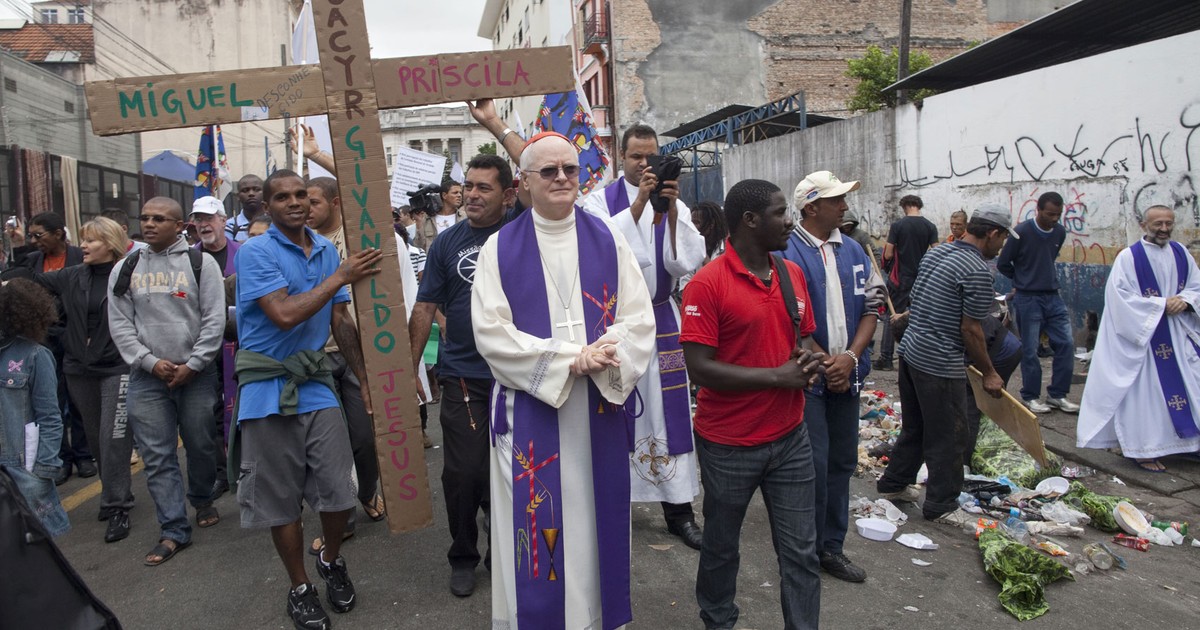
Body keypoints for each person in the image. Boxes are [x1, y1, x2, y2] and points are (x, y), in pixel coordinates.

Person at [472, 132, 655, 629]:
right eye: (548, 171)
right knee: (540, 525)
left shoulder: (607, 238)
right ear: (524, 182)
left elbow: (639, 321)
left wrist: (604, 353)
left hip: (597, 409)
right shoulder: (498, 248)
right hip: (534, 410)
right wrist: (570, 359)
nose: (561, 178)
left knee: (596, 526)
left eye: (570, 170)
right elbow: (491, 333)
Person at [233, 169, 382, 630]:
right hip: (266, 388)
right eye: (283, 196)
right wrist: (340, 274)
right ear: (268, 205)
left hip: (316, 381)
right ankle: (299, 587)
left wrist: (364, 377)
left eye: (302, 194)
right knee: (281, 501)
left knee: (339, 491)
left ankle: (331, 560)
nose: (295, 202)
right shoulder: (256, 251)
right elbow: (281, 314)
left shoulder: (322, 250)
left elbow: (340, 321)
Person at [681, 179, 824, 630]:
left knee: (801, 552)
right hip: (728, 445)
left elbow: (802, 338)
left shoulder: (789, 274)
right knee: (721, 548)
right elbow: (699, 369)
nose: (790, 221)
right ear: (749, 220)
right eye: (782, 212)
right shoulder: (708, 283)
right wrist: (777, 377)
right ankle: (718, 620)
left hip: (790, 439)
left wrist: (820, 359)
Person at [582, 123, 706, 550]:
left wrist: (668, 211)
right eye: (636, 156)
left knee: (670, 417)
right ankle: (613, 506)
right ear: (621, 157)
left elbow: (684, 261)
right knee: (618, 413)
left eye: (651, 156)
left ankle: (679, 511)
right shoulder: (599, 201)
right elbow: (598, 250)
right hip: (615, 325)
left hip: (662, 320)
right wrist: (638, 204)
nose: (645, 164)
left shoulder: (675, 201)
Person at [409, 153, 518, 597]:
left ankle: (505, 550)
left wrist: (493, 121)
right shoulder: (445, 244)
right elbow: (424, 307)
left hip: (519, 377)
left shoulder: (523, 234)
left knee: (514, 473)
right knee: (464, 472)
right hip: (462, 376)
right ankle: (463, 555)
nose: (471, 194)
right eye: (468, 186)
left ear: (509, 195)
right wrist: (409, 370)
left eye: (484, 187)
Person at [875, 204, 1012, 520]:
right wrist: (989, 373)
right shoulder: (977, 270)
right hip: (938, 362)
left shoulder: (937, 254)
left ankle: (894, 484)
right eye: (1003, 237)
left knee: (917, 426)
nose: (1003, 245)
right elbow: (971, 329)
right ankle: (942, 504)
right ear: (992, 233)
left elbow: (920, 302)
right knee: (950, 436)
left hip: (910, 354)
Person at [108, 197, 225, 566]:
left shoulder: (200, 263)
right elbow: (121, 324)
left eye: (160, 218)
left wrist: (194, 363)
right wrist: (149, 362)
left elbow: (214, 318)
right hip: (147, 377)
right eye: (145, 217)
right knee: (157, 457)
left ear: (181, 226)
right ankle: (174, 528)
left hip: (197, 374)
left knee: (201, 444)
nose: (150, 223)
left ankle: (202, 497)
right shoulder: (125, 267)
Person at [781, 171, 885, 584]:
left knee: (841, 463)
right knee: (812, 465)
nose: (844, 206)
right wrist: (826, 363)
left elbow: (872, 307)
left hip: (848, 375)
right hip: (810, 381)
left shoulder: (854, 250)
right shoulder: (787, 252)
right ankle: (803, 547)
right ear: (811, 207)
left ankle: (832, 547)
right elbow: (790, 320)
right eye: (836, 200)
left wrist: (850, 358)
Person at [302, 176, 403, 547]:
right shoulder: (301, 242)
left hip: (362, 352)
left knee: (363, 437)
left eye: (313, 202)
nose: (305, 209)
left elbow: (370, 186)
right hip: (318, 356)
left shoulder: (361, 233)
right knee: (328, 445)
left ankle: (367, 492)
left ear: (335, 202)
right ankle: (340, 516)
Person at [1077, 206, 1200, 473]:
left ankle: (1188, 445)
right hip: (1145, 339)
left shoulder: (1181, 253)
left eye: (1169, 223)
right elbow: (1120, 299)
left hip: (1178, 335)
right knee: (1148, 396)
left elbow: (1195, 285)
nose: (1164, 228)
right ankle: (1144, 450)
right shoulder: (1129, 258)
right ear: (1143, 224)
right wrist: (1160, 304)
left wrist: (1186, 301)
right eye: (1158, 224)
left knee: (1192, 386)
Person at [35, 217, 135, 543]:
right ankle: (112, 492)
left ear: (110, 243)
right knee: (95, 440)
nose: (84, 247)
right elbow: (30, 280)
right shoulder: (73, 276)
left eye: (91, 241)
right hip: (78, 369)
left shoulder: (129, 274)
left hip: (117, 367)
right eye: (83, 240)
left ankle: (118, 504)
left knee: (113, 438)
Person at [996, 192, 1080, 415]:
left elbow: (1048, 258)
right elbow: (1004, 263)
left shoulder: (1059, 232)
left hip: (1053, 296)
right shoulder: (1021, 233)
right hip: (1027, 297)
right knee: (1030, 349)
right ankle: (1030, 396)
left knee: (1066, 344)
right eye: (1050, 214)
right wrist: (1022, 279)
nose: (1054, 219)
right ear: (1039, 210)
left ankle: (1057, 394)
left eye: (1058, 215)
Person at [24, 213, 92, 485]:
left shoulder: (80, 256)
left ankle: (84, 455)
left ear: (58, 234)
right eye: (31, 235)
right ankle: (62, 458)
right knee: (52, 398)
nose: (34, 240)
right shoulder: (32, 261)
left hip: (76, 333)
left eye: (38, 235)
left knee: (79, 396)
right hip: (44, 337)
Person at [0, 278, 69, 537]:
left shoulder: (34, 356)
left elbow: (51, 418)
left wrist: (41, 474)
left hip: (22, 473)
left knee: (35, 557)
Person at [875, 195, 937, 371]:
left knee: (892, 316)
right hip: (921, 278)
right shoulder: (930, 226)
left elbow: (887, 254)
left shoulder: (898, 226)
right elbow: (936, 251)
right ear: (919, 206)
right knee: (918, 315)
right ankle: (917, 355)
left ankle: (886, 358)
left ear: (905, 207)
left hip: (900, 278)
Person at [191, 196, 241, 277]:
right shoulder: (188, 258)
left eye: (209, 218)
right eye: (198, 220)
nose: (203, 224)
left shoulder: (241, 253)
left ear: (223, 221)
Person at [225, 175, 264, 242]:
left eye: (256, 189)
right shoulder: (230, 226)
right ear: (238, 196)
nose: (251, 193)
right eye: (245, 190)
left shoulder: (275, 224)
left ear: (265, 193)